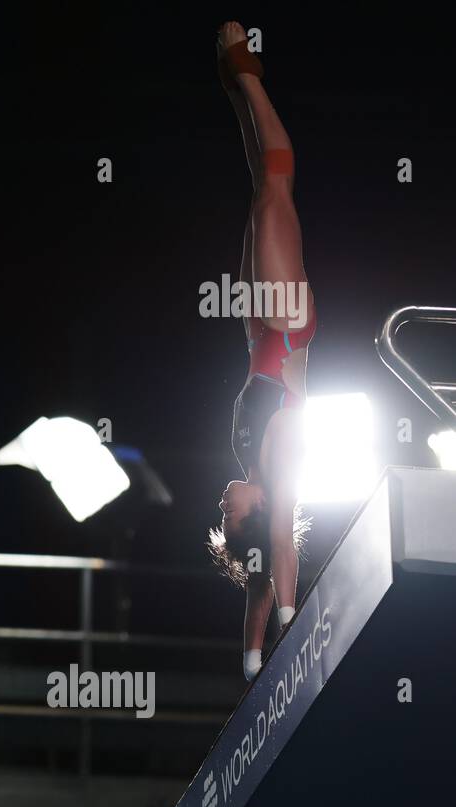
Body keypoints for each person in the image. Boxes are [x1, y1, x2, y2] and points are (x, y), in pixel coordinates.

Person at [208, 22, 313, 681]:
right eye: (228, 515)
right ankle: (249, 76)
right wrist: (290, 626)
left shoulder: (253, 463)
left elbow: (254, 582)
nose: (222, 506)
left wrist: (251, 660)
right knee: (276, 192)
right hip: (289, 329)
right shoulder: (280, 477)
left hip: (259, 335)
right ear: (259, 515)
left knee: (256, 198)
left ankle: (237, 93)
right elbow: (277, 553)